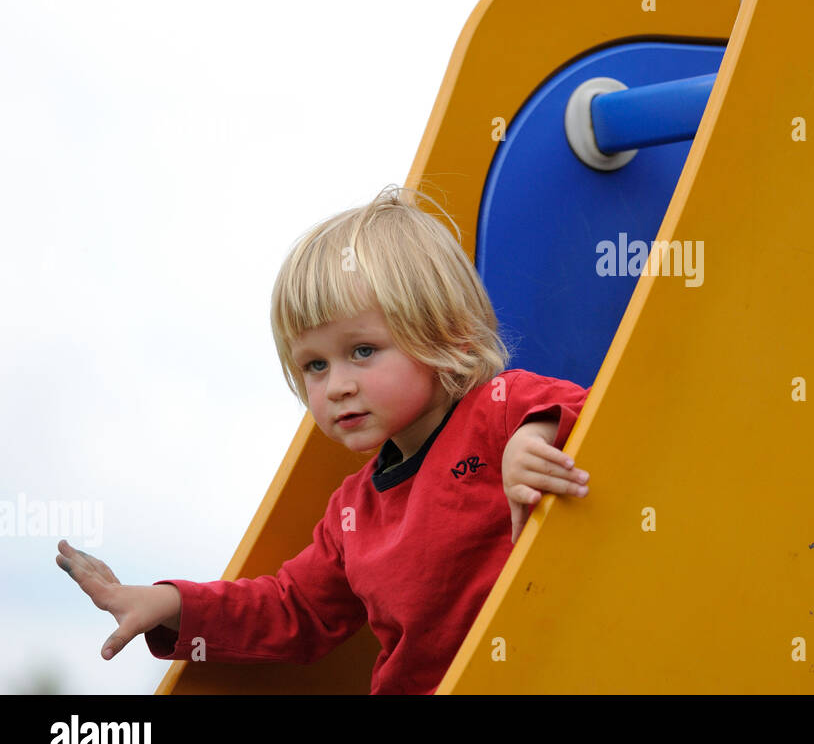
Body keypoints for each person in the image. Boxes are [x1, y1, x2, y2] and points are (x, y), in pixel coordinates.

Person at [56, 184, 590, 693]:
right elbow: (293, 610)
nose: (337, 386)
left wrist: (531, 439)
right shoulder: (353, 513)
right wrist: (171, 604)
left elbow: (592, 411)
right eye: (314, 364)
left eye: (362, 350)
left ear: (443, 333)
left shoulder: (497, 412)